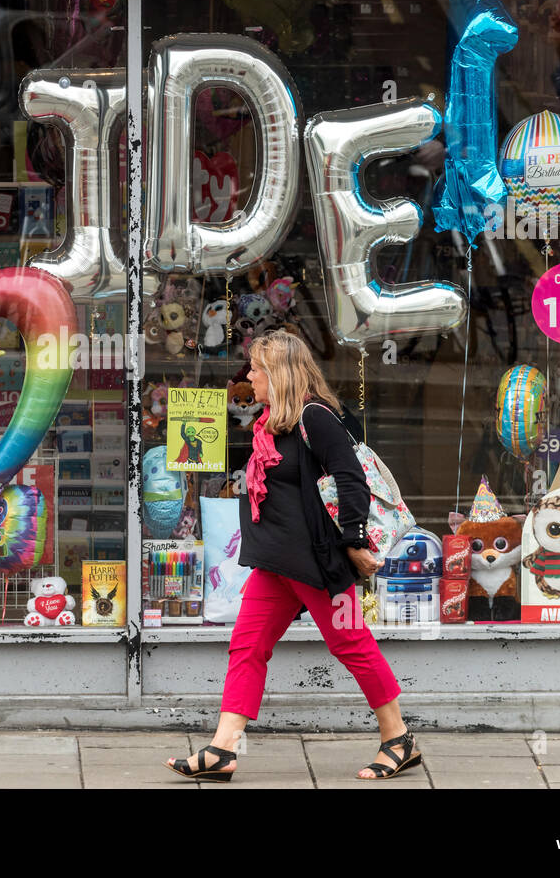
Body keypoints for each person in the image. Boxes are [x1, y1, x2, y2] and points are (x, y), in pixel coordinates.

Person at [164, 329, 420, 782]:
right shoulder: (270, 424)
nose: (250, 377)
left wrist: (355, 544)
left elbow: (350, 479)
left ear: (279, 375)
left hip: (319, 565)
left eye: (258, 369)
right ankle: (223, 749)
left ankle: (398, 738)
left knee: (351, 643)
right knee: (247, 646)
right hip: (276, 564)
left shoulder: (315, 418)